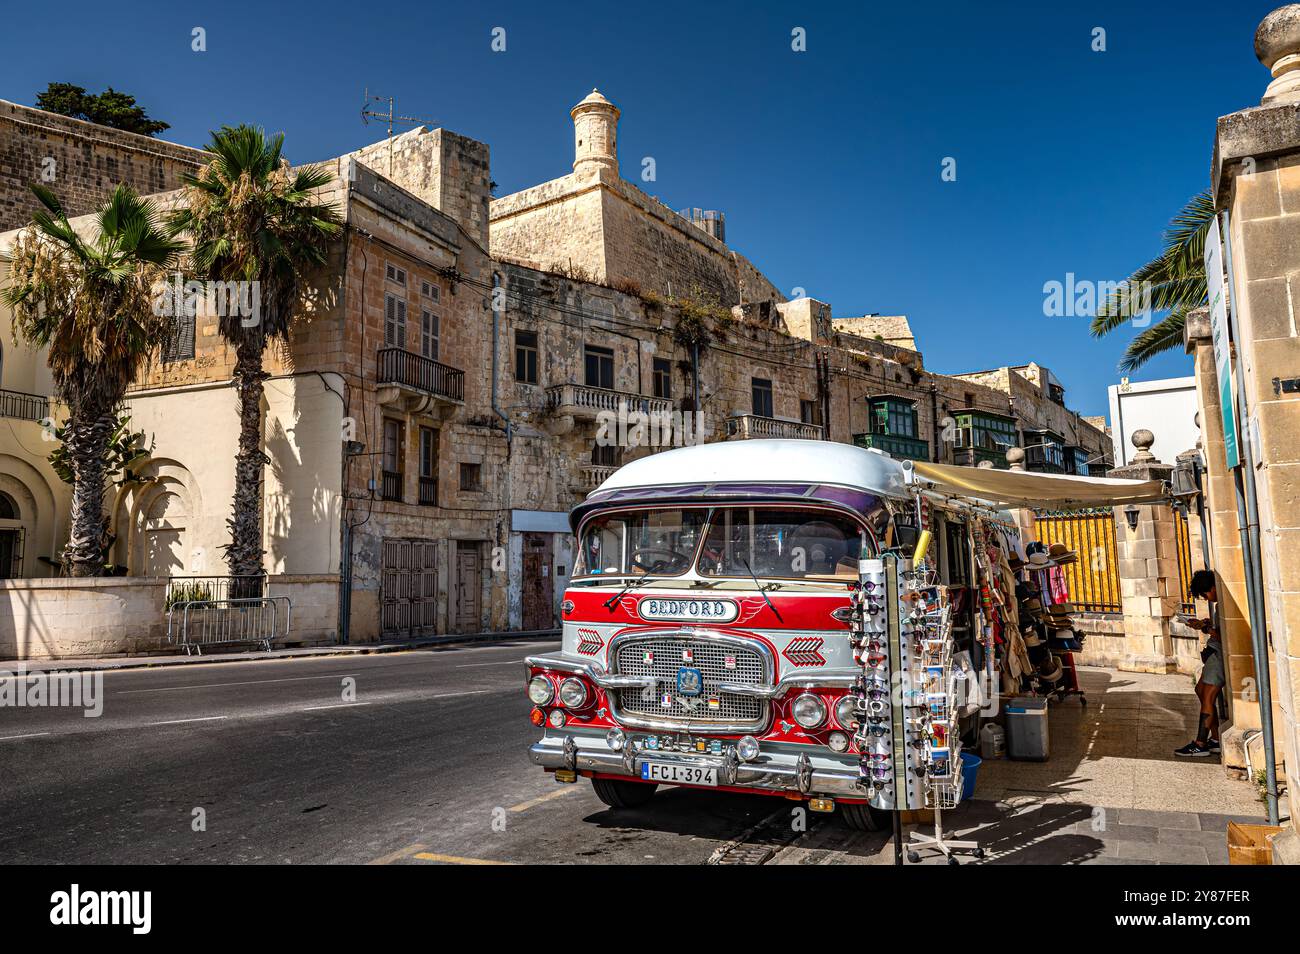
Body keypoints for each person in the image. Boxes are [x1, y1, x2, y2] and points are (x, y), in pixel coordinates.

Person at [1174, 569, 1225, 758]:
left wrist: (1206, 628)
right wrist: (1204, 624)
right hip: (1213, 656)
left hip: (1218, 656)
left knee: (1208, 697)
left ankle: (1200, 743)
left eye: (1205, 594)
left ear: (1212, 587)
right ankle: (1216, 738)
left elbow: (1227, 637)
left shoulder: (1226, 605)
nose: (1205, 598)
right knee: (1200, 691)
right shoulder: (1221, 606)